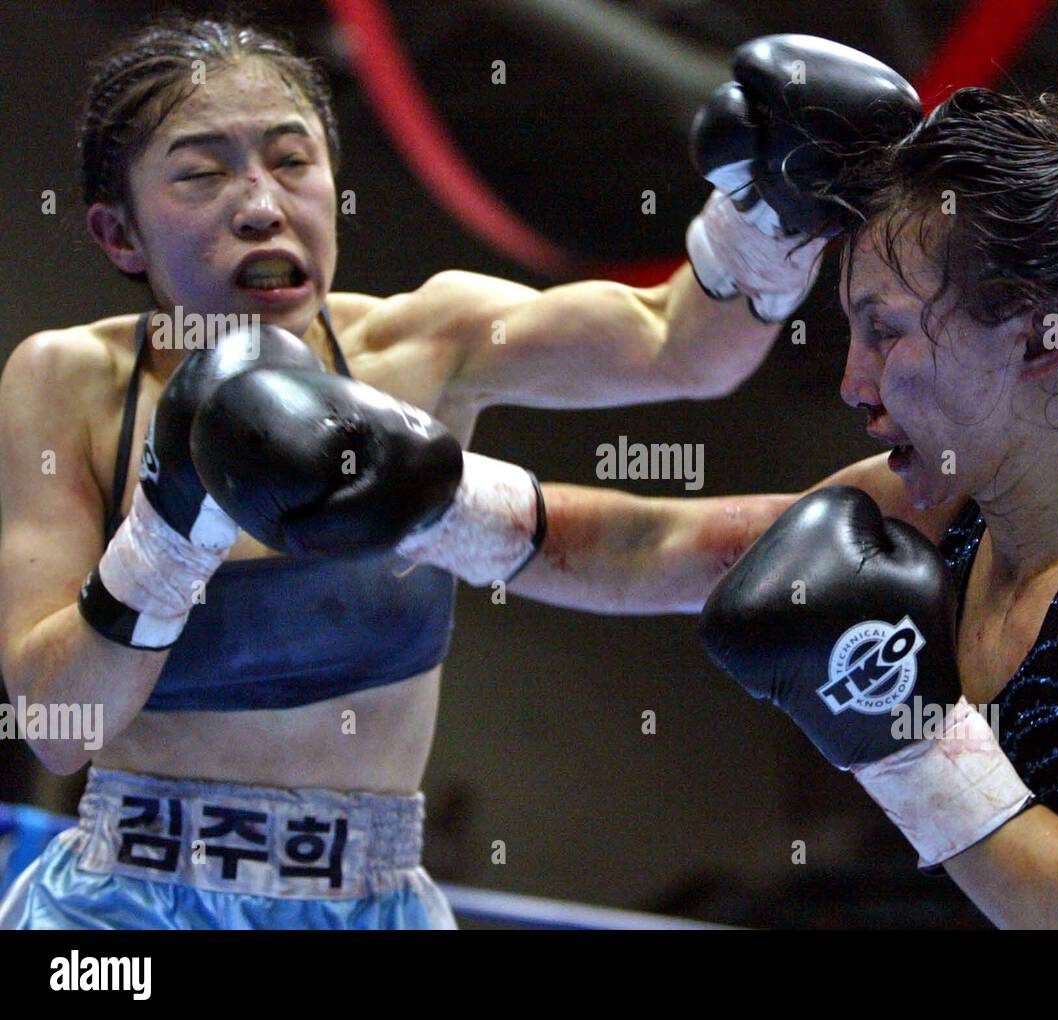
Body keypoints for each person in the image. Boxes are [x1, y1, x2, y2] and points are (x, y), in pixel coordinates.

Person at [0, 17, 917, 929]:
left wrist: (768, 209)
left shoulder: (424, 342)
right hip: (125, 909)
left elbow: (680, 344)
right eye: (201, 172)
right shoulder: (66, 385)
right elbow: (59, 725)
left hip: (369, 903)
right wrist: (169, 524)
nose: (261, 205)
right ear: (120, 235)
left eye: (292, 160)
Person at [490, 88, 1058, 929]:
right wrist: (435, 501)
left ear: (1041, 339)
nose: (851, 384)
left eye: (886, 332)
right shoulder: (933, 503)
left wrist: (898, 735)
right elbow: (655, 548)